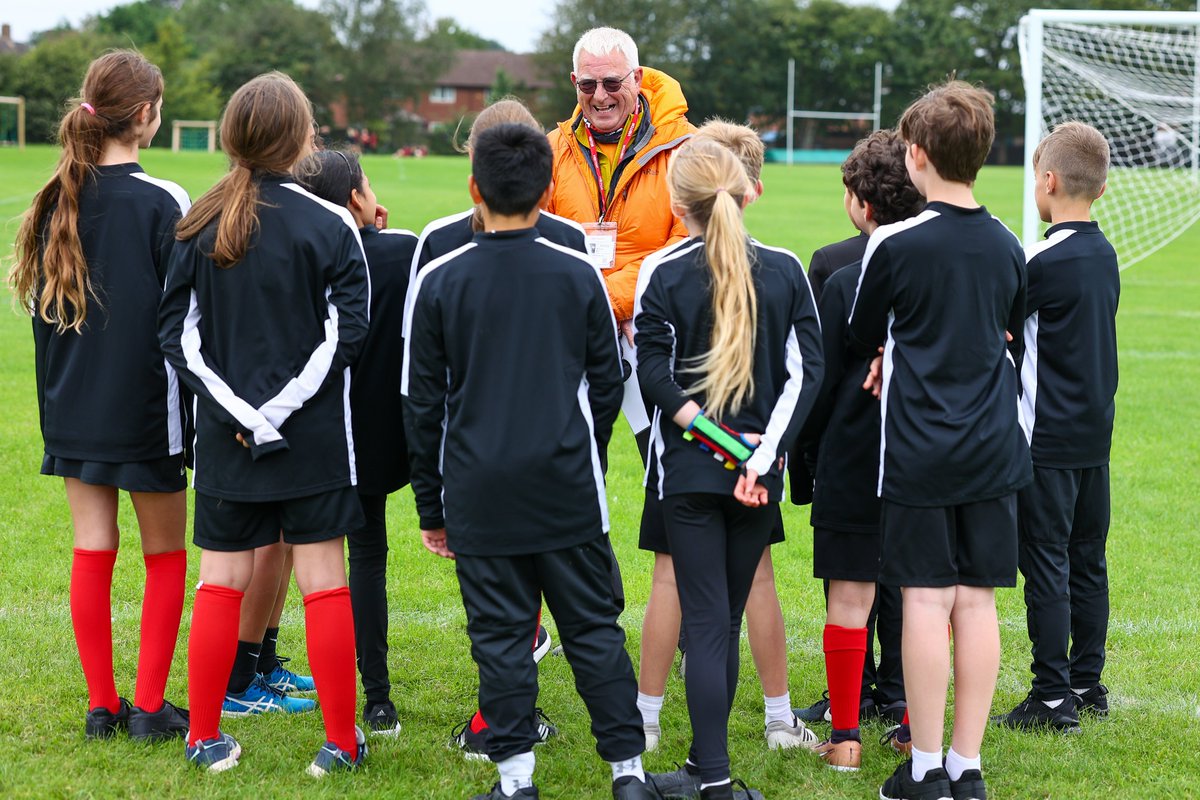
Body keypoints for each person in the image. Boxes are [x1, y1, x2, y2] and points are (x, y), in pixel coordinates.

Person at [403, 123, 655, 800]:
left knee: (500, 636)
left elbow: (421, 407)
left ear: (474, 188)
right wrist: (578, 449)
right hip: (565, 483)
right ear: (548, 191)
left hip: (479, 488)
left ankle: (517, 783)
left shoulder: (439, 280)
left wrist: (431, 507)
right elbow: (608, 379)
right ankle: (627, 776)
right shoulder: (578, 272)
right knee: (593, 629)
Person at [159, 71, 369, 775]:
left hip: (230, 437)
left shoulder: (200, 221)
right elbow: (349, 335)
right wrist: (275, 412)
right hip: (308, 438)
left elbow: (176, 339)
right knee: (324, 581)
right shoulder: (331, 222)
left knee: (220, 580)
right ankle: (341, 744)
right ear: (300, 136)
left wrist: (246, 413)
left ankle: (204, 738)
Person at [848, 81, 1032, 800]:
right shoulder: (1009, 243)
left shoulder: (893, 242)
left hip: (920, 449)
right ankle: (966, 765)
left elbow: (863, 331)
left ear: (917, 155)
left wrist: (885, 352)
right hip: (993, 447)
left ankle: (926, 769)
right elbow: (1010, 327)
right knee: (977, 603)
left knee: (925, 601)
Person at [10, 50, 191, 743]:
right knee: (164, 555)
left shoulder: (56, 196)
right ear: (145, 114)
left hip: (72, 408)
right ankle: (148, 708)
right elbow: (186, 318)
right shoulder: (164, 200)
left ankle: (101, 708)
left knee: (92, 547)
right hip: (145, 410)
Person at [635, 139, 824, 800]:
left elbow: (653, 377)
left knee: (710, 624)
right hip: (756, 481)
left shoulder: (661, 271)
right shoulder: (785, 268)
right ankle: (706, 772)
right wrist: (757, 457)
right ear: (745, 193)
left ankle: (710, 776)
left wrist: (726, 446)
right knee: (723, 620)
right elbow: (808, 376)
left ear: (675, 202)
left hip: (690, 479)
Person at [405, 98, 578, 759]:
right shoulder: (442, 241)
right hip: (537, 451)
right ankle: (512, 716)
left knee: (498, 595)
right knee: (511, 592)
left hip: (475, 453)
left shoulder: (564, 241)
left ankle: (498, 722)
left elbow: (416, 380)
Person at [796, 130, 924, 772]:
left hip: (853, 457)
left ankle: (845, 738)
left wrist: (802, 456)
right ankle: (912, 726)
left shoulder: (845, 282)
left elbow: (816, 385)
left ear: (862, 204)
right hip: (926, 455)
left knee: (849, 600)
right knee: (923, 595)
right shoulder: (942, 272)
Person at [994, 121, 1119, 732]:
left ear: (1047, 181)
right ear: (1100, 188)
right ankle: (1087, 684)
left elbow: (1002, 332)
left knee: (1046, 563)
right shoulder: (1106, 253)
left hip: (1045, 440)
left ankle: (1050, 696)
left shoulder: (1039, 259)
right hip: (1096, 437)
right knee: (1087, 559)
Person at [298, 147, 418, 735]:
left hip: (328, 430)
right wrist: (378, 232)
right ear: (355, 198)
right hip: (398, 432)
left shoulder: (303, 253)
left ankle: (373, 698)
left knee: (351, 561)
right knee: (378, 557)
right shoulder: (404, 249)